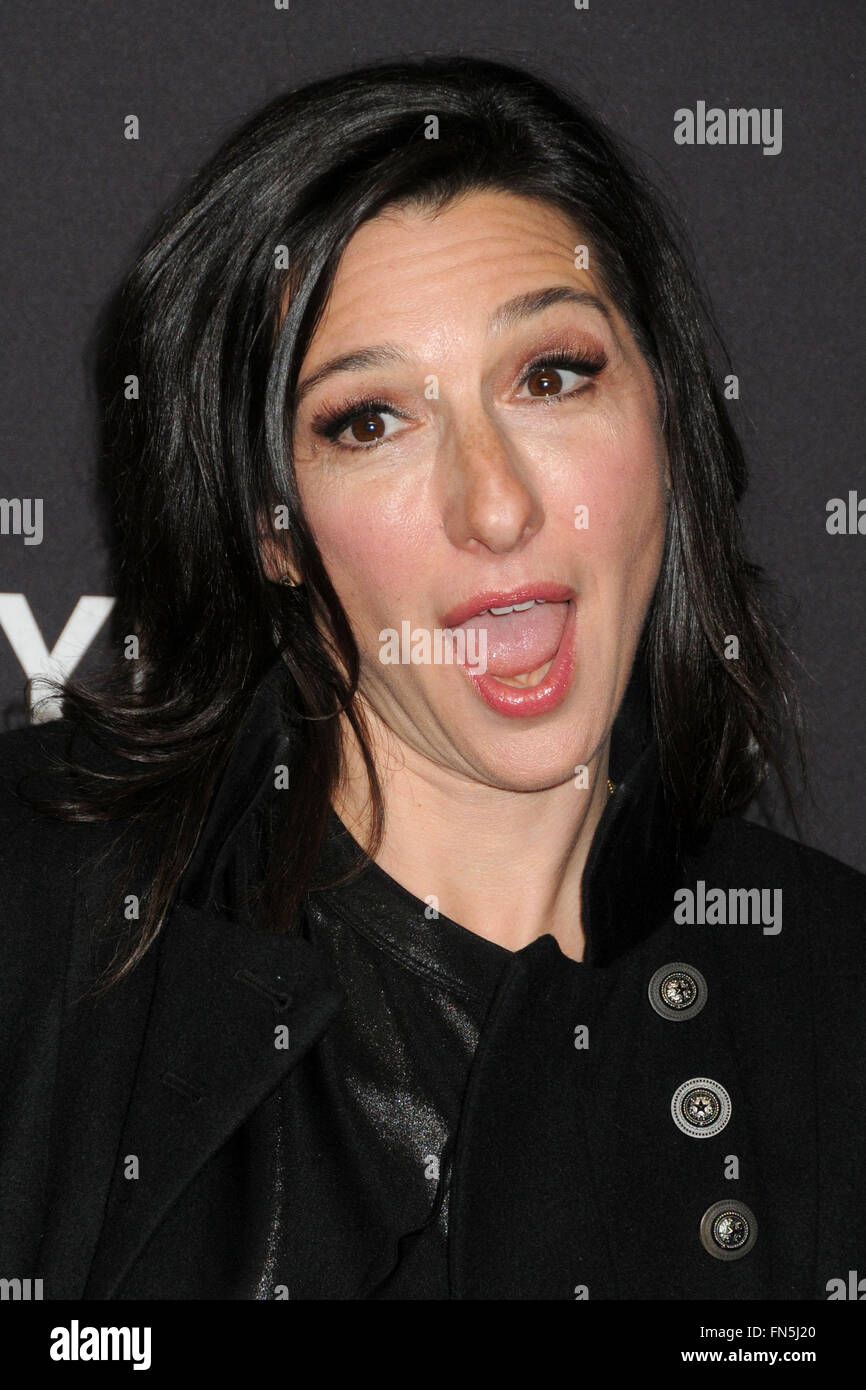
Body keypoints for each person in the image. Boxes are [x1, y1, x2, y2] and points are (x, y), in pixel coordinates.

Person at [1, 54, 864, 1302]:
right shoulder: (42, 924)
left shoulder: (829, 998)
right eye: (369, 420)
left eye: (551, 376)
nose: (496, 504)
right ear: (274, 528)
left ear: (667, 422)